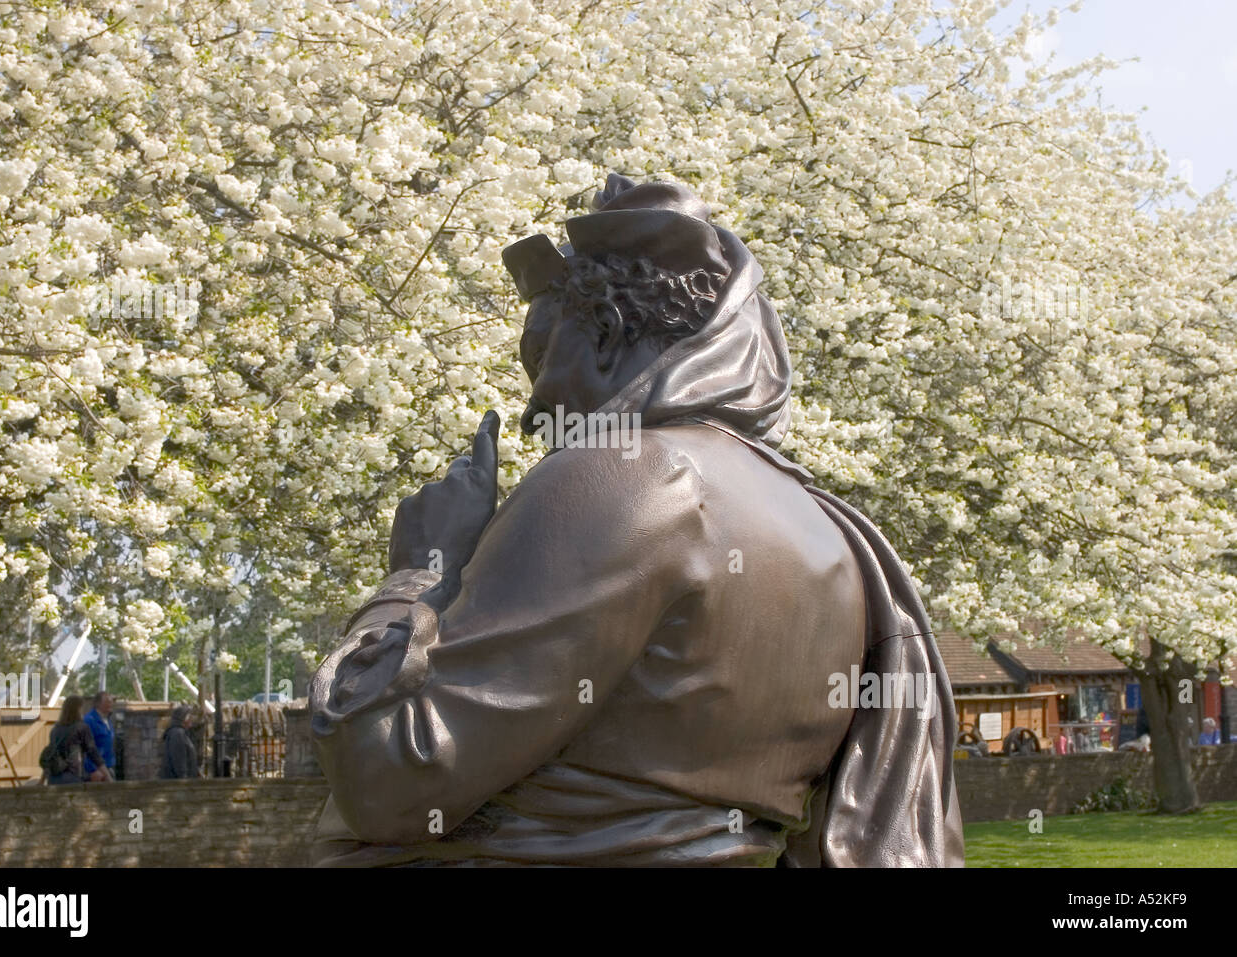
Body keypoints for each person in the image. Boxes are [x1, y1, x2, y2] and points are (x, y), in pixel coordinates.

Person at [309, 174, 962, 867]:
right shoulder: (832, 531)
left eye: (541, 360)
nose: (535, 410)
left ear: (608, 335)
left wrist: (418, 572)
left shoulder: (627, 474)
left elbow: (388, 780)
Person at [46, 695, 110, 786]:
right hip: (72, 779)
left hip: (54, 778)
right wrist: (108, 777)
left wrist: (42, 780)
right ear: (78, 710)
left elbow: (49, 756)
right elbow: (93, 753)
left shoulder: (55, 729)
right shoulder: (81, 728)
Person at [83, 691, 116, 782]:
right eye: (107, 702)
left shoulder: (107, 719)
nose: (111, 704)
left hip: (109, 767)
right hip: (97, 772)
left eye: (111, 701)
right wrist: (93, 770)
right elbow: (86, 747)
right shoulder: (89, 720)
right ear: (99, 704)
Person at [159, 705, 200, 779]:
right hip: (177, 784)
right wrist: (184, 780)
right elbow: (179, 761)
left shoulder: (179, 733)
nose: (192, 719)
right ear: (184, 718)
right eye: (190, 716)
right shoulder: (177, 734)